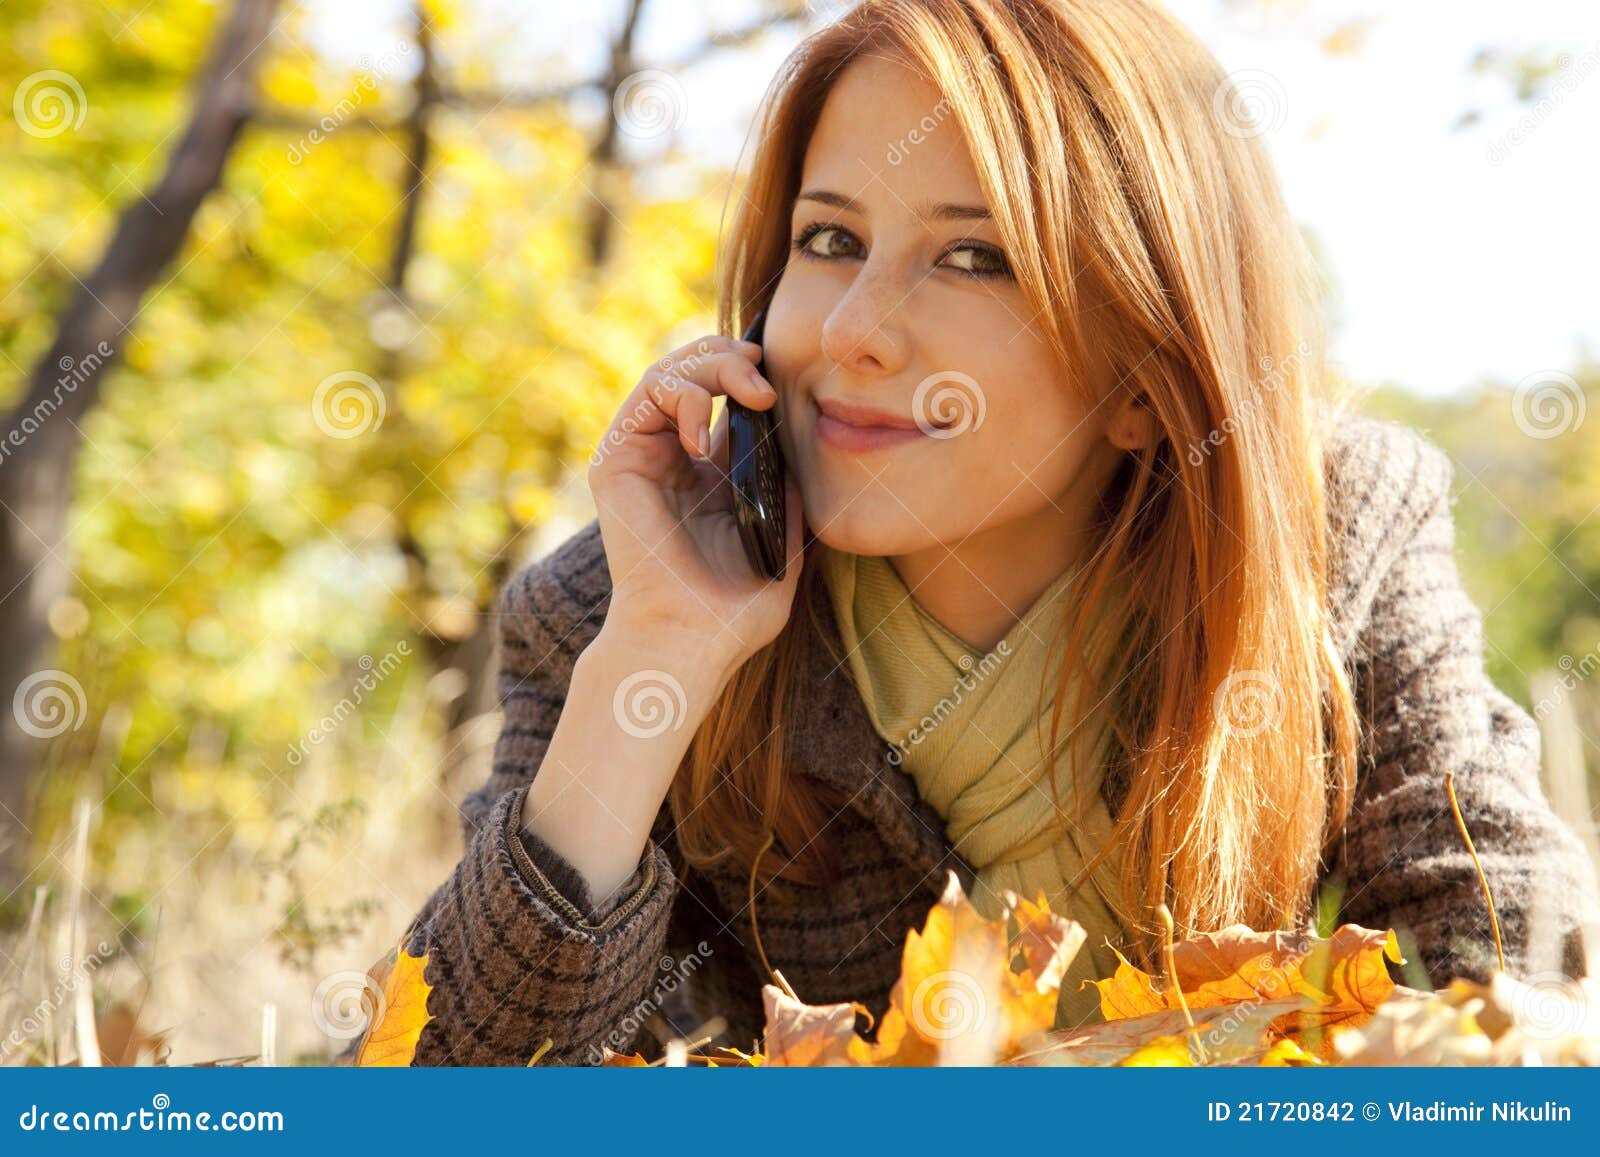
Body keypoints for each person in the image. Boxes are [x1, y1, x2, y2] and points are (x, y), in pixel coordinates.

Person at [392, 0, 1600, 1065]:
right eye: (830, 240)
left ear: (1143, 375)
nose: (852, 331)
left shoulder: (1332, 535)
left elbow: (1515, 986)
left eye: (973, 258)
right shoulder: (615, 606)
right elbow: (450, 1085)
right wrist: (654, 660)